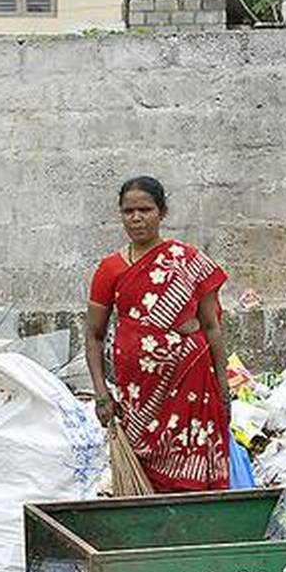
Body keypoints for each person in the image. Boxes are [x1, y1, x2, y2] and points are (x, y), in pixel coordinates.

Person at [85, 176, 231, 492]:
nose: (136, 218)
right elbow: (94, 335)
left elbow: (211, 326)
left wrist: (223, 385)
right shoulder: (110, 269)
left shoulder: (188, 261)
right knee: (144, 471)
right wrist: (100, 392)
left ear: (162, 213)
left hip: (191, 384)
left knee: (193, 468)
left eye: (145, 210)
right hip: (139, 391)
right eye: (129, 211)